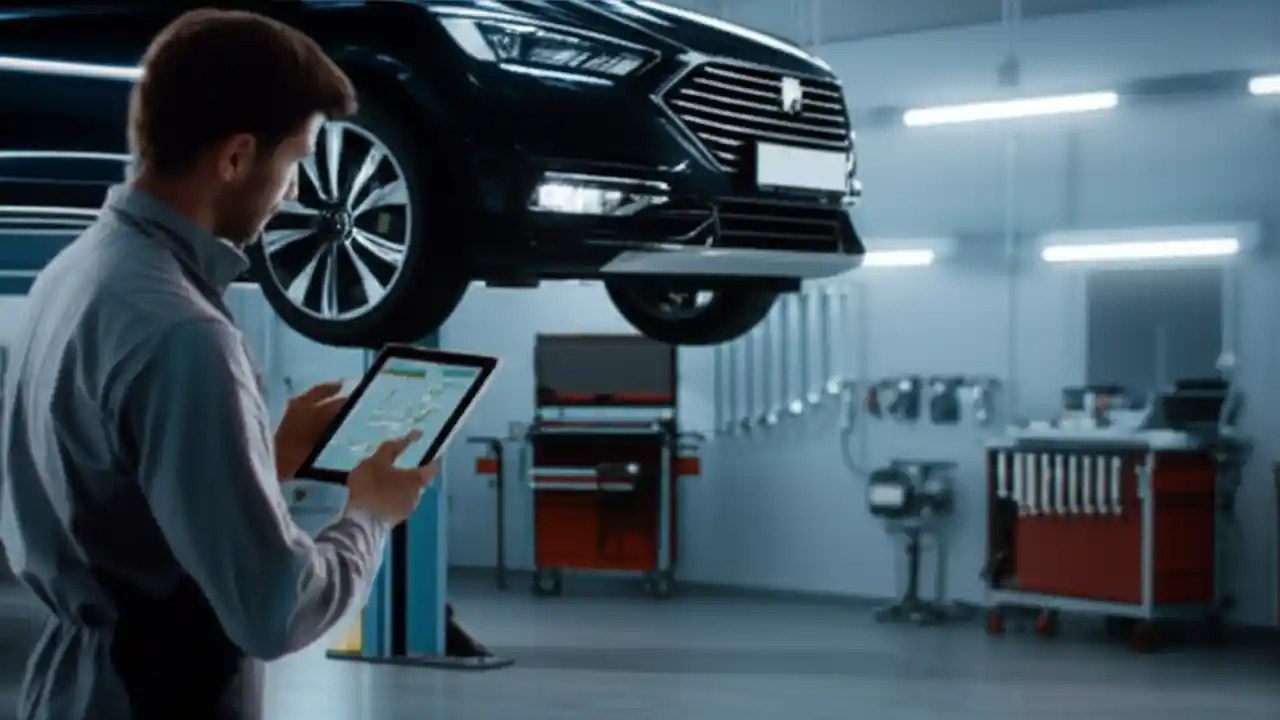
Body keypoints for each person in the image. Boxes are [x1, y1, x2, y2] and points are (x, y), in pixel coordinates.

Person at [0, 9, 438, 720]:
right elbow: (273, 611)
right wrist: (369, 514)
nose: (294, 191)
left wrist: (267, 458)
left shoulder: (76, 274)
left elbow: (117, 504)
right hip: (157, 697)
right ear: (235, 158)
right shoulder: (185, 334)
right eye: (294, 160)